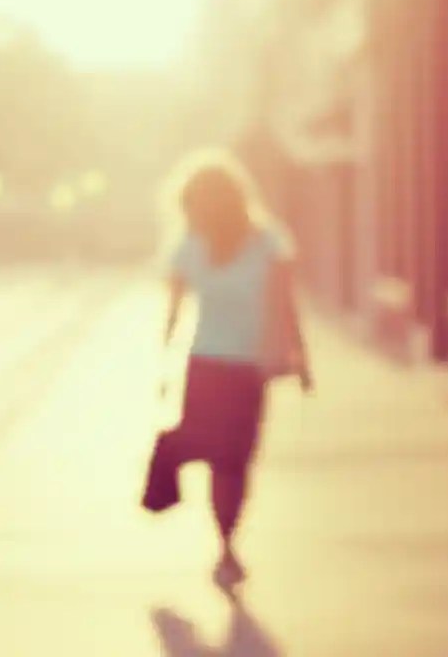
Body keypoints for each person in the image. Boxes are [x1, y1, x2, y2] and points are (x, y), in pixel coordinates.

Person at [145, 148, 312, 590]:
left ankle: (226, 547)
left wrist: (299, 356)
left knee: (232, 459)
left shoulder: (268, 241)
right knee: (229, 457)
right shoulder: (193, 243)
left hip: (243, 370)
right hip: (214, 367)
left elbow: (285, 303)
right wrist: (163, 363)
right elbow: (175, 307)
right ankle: (174, 459)